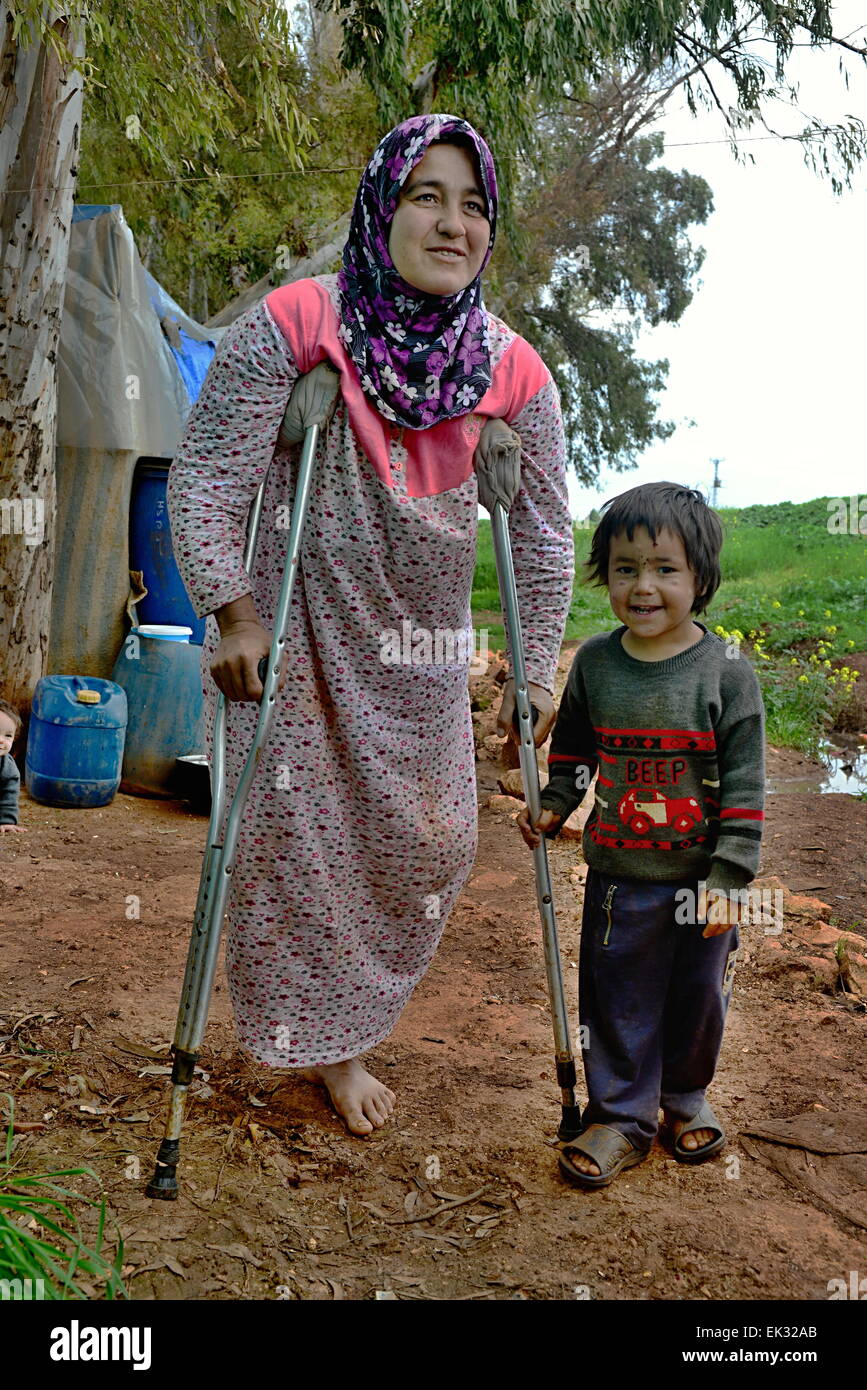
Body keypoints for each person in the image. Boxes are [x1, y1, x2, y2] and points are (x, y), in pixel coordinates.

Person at [167, 114, 575, 1136]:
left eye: (474, 205)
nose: (452, 223)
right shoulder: (296, 321)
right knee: (293, 838)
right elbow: (210, 479)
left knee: (429, 843)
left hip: (423, 647)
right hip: (297, 623)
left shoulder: (515, 373)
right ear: (383, 205)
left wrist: (530, 677)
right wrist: (236, 612)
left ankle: (347, 1020)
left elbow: (544, 538)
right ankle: (333, 1049)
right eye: (426, 196)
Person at [518, 482, 765, 1188]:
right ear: (604, 576)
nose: (643, 586)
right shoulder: (595, 663)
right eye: (624, 569)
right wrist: (554, 804)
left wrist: (730, 877)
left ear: (700, 579)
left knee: (697, 997)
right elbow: (571, 753)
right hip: (619, 878)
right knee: (615, 994)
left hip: (701, 880)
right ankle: (620, 1116)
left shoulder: (725, 670)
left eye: (664, 568)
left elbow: (746, 781)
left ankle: (683, 1100)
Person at [0, 700, 23, 833]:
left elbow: (9, 793)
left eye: (8, 735)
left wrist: (6, 820)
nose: (2, 740)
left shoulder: (7, 767)